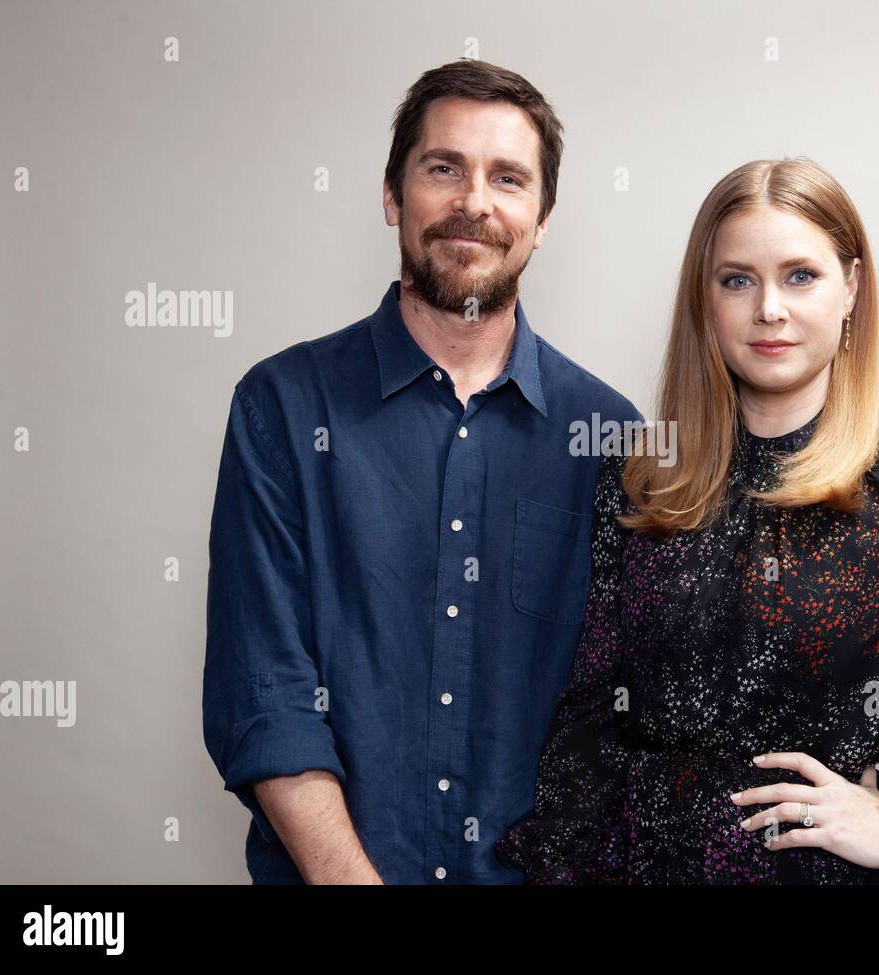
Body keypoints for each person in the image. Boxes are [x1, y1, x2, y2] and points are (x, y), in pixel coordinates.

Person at [494, 156, 879, 884]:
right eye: (737, 279)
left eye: (801, 275)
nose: (770, 308)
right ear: (704, 298)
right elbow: (589, 722)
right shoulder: (644, 480)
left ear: (851, 287)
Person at [201, 59, 642, 884]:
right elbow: (266, 692)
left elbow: (625, 713)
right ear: (392, 194)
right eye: (444, 168)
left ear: (541, 218)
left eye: (507, 178)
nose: (474, 201)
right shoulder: (283, 409)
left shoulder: (610, 436)